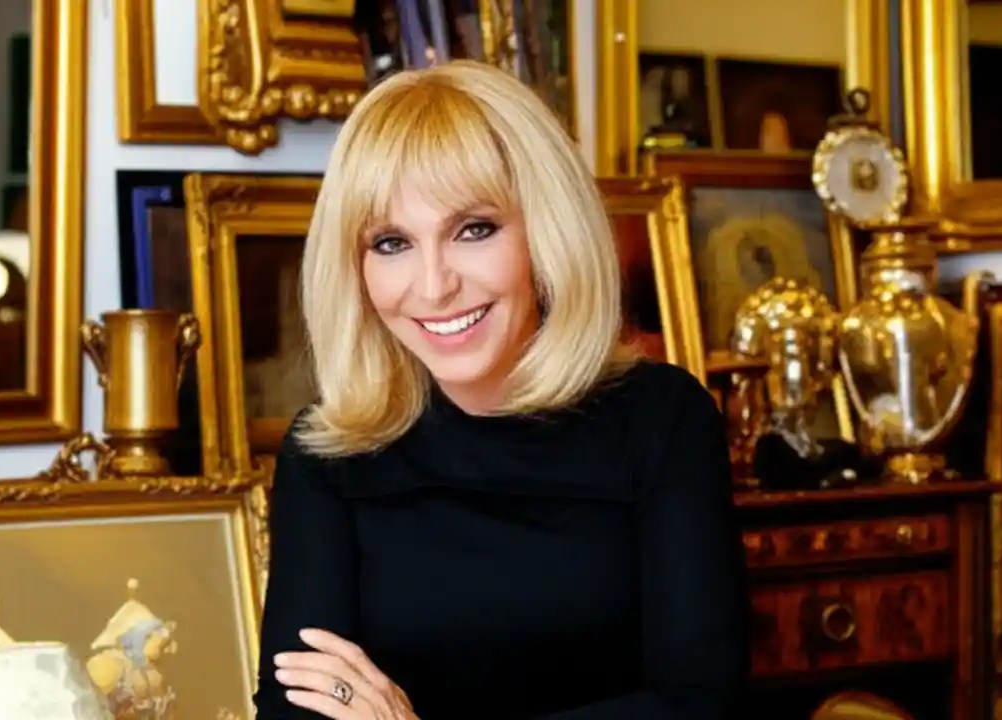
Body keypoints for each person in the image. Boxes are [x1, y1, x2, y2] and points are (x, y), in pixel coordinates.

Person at [254, 59, 749, 720]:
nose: (432, 286)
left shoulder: (662, 420)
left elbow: (702, 705)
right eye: (392, 242)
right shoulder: (329, 451)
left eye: (474, 230)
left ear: (548, 233)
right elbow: (297, 715)